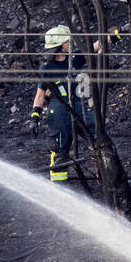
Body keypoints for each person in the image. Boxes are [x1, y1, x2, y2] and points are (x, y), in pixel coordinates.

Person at [29, 24, 94, 182]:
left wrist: (119, 34)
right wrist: (34, 117)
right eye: (67, 41)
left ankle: (107, 178)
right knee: (59, 150)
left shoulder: (75, 58)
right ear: (59, 46)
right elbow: (40, 94)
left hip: (79, 107)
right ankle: (59, 187)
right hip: (59, 111)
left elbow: (95, 46)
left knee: (99, 139)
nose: (70, 43)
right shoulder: (47, 68)